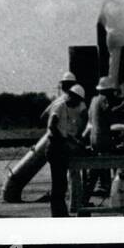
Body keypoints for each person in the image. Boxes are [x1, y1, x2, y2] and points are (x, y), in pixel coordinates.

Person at [45, 71, 81, 218]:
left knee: (61, 184)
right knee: (58, 184)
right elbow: (53, 126)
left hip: (59, 146)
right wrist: (61, 139)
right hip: (55, 147)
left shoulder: (65, 106)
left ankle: (61, 213)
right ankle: (57, 215)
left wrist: (73, 141)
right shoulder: (60, 105)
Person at [85, 75, 117, 201]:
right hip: (102, 138)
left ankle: (101, 186)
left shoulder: (93, 100)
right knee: (101, 165)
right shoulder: (104, 99)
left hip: (93, 137)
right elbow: (109, 113)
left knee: (97, 165)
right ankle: (108, 188)